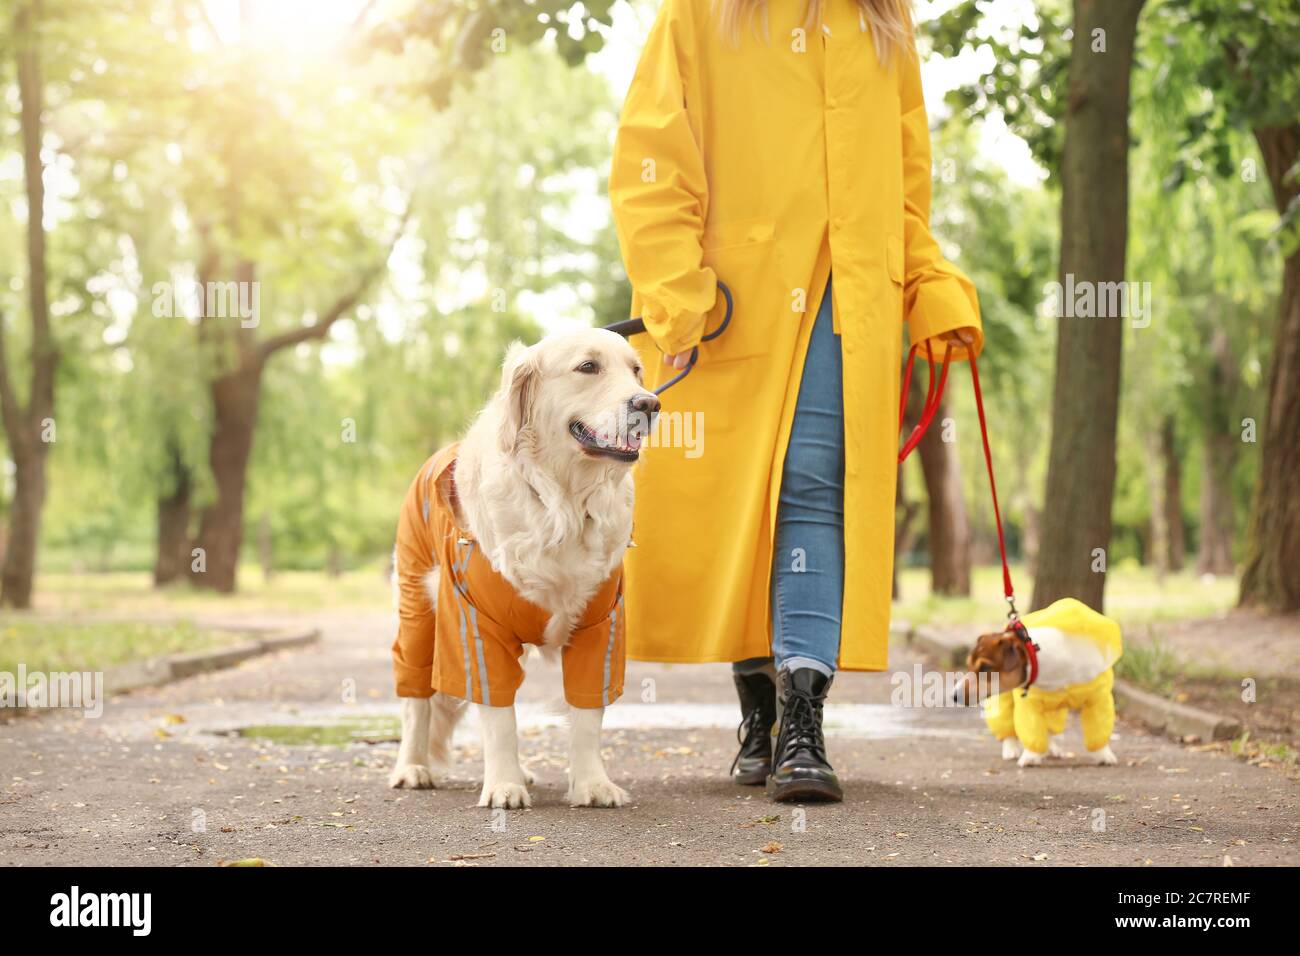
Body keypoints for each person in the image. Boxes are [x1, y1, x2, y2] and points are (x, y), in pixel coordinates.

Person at [609, 0, 982, 802]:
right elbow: (652, 157)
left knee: (812, 484)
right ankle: (758, 711)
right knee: (742, 508)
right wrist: (677, 288)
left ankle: (802, 718)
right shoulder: (700, 14)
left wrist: (931, 285)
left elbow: (906, 187)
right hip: (731, 298)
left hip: (849, 295)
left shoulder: (886, 22)